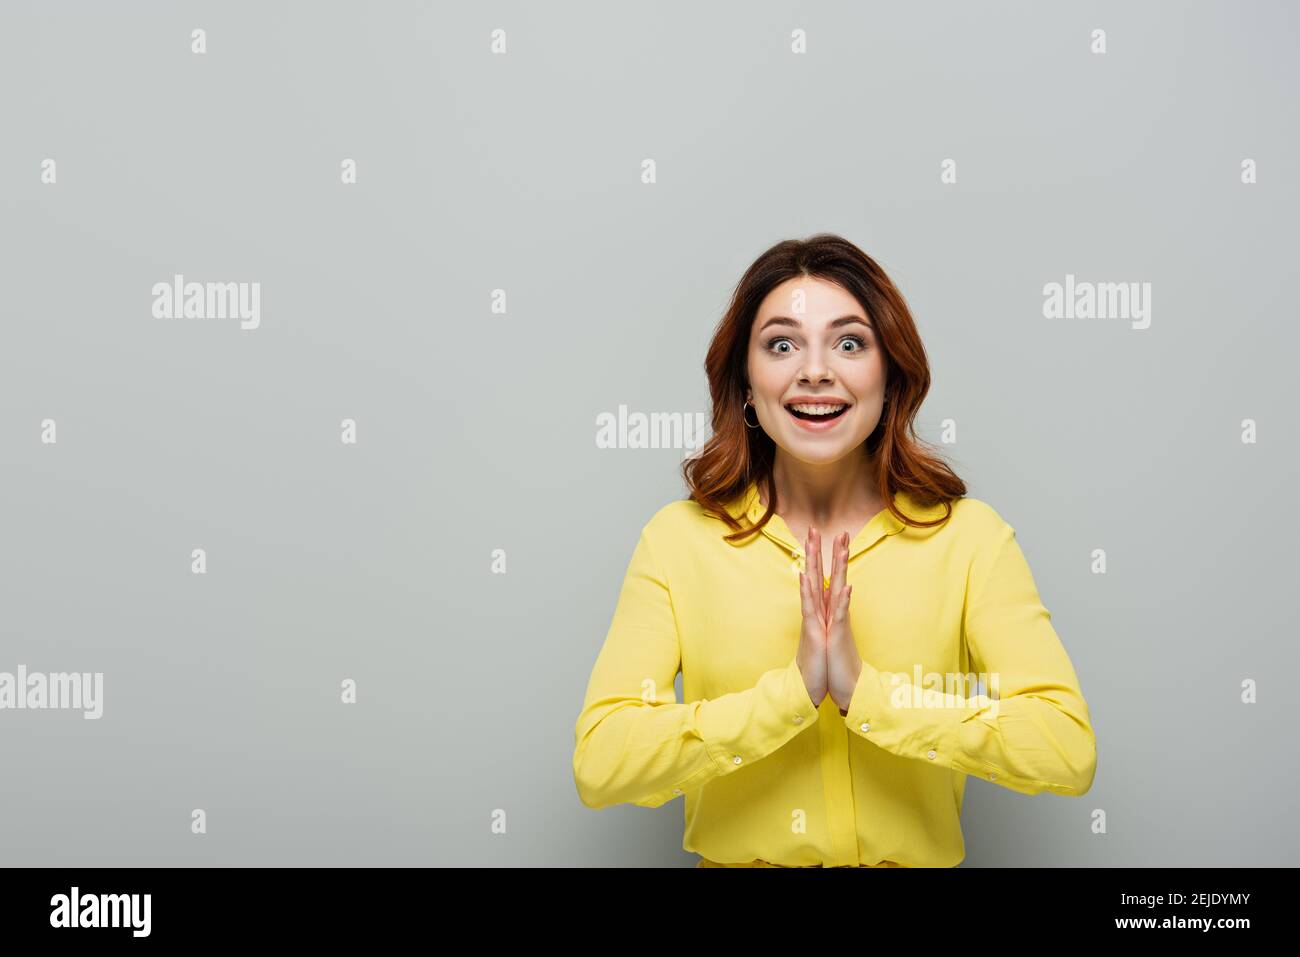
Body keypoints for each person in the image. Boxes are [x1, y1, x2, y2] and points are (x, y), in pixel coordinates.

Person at [572, 234, 1097, 867]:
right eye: (782, 344)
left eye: (849, 343)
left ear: (890, 374)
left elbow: (1064, 749)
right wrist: (786, 699)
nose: (815, 371)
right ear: (745, 381)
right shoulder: (677, 541)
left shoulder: (970, 540)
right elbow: (602, 762)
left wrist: (869, 698)